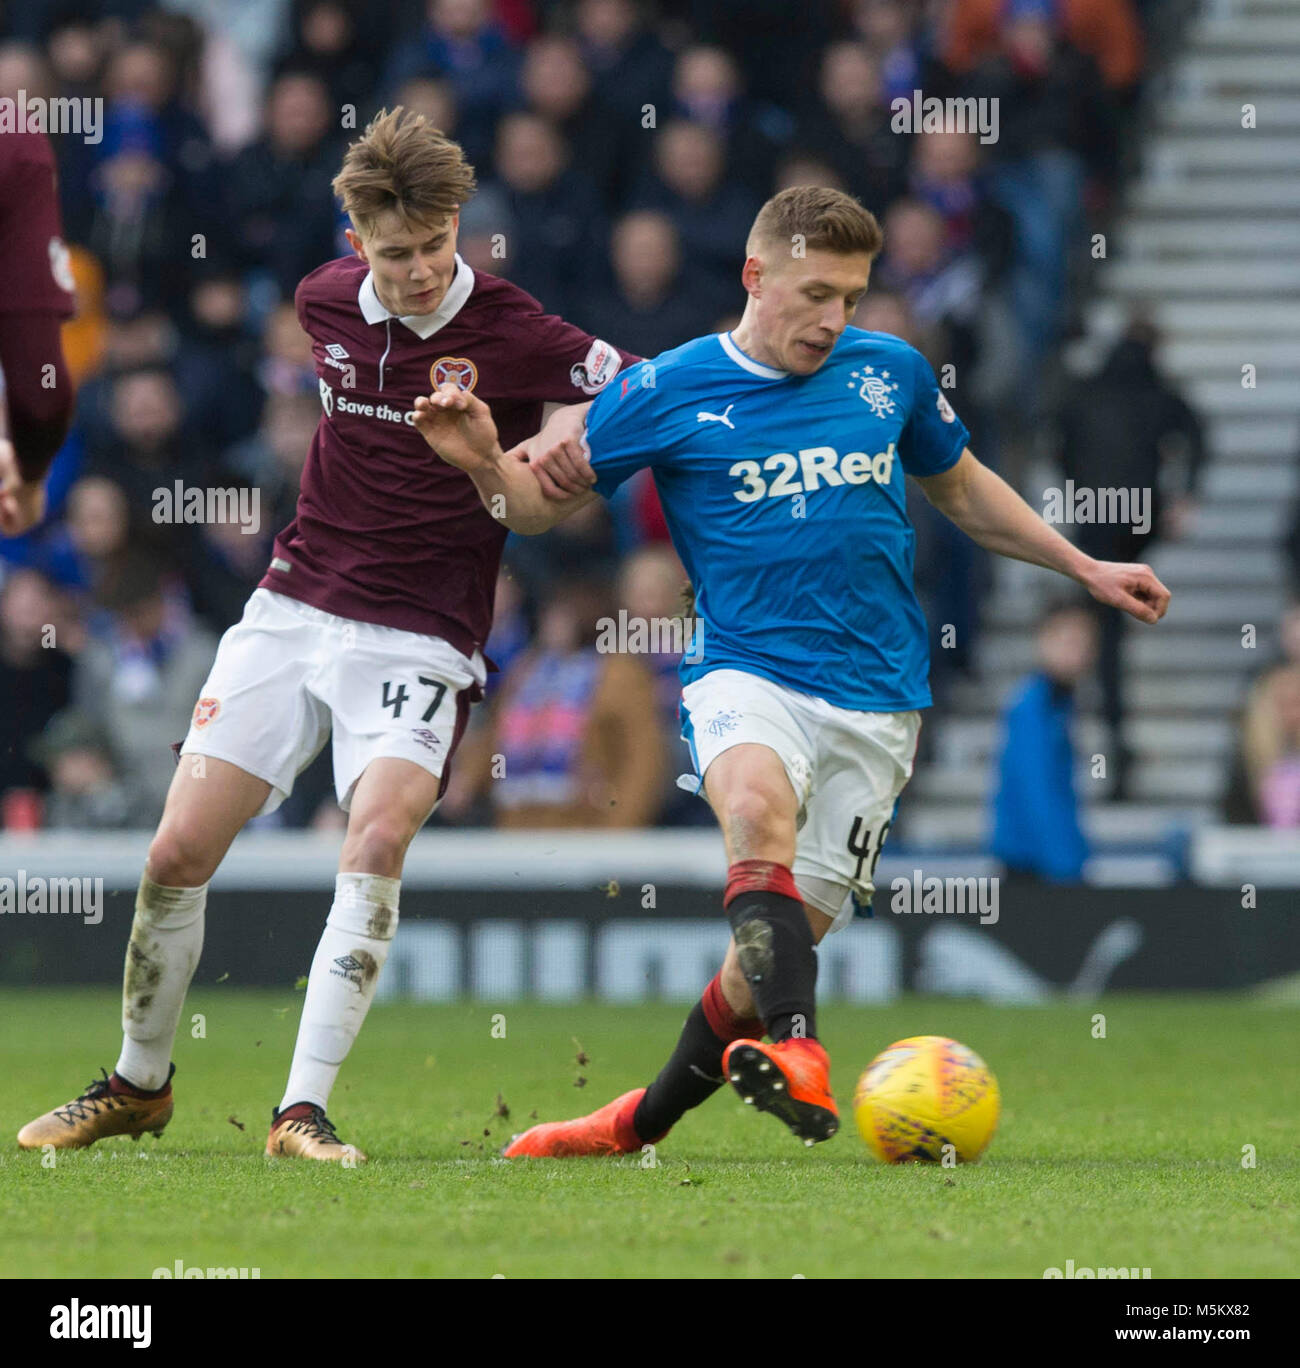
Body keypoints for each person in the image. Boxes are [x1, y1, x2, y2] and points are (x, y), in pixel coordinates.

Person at [413, 184, 1171, 1155]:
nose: (833, 318)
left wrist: (1084, 564)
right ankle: (802, 1053)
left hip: (880, 697)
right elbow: (531, 506)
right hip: (744, 667)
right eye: (814, 293)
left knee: (759, 964)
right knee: (755, 815)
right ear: (754, 275)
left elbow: (964, 491)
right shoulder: (665, 390)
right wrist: (482, 462)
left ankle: (630, 1123)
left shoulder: (888, 371)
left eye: (850, 296)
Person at [16, 107, 634, 1162]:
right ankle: (138, 1082)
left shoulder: (518, 329)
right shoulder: (320, 301)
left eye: (437, 245)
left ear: (457, 228)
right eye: (395, 254)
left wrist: (561, 437)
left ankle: (299, 1111)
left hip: (421, 636)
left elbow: (630, 385)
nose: (419, 270)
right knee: (175, 852)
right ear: (357, 244)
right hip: (292, 610)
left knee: (377, 835)